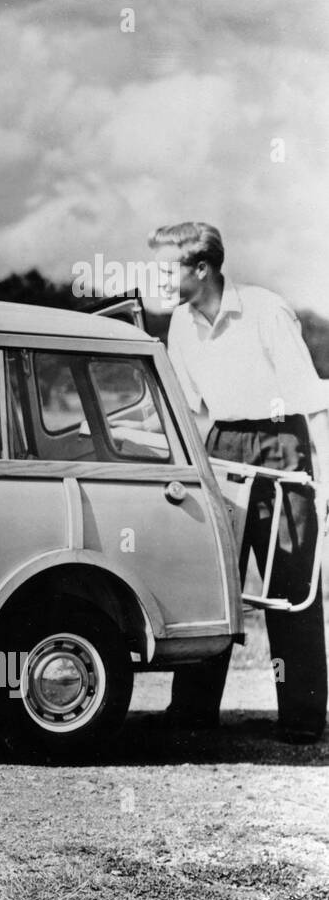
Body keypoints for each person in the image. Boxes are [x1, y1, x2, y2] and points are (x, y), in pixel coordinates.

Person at [152, 221, 328, 743]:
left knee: (291, 587)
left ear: (201, 268)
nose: (159, 279)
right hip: (222, 448)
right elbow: (187, 406)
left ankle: (301, 721)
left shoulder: (267, 310)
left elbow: (311, 400)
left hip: (280, 448)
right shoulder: (181, 322)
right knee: (213, 581)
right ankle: (192, 711)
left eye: (168, 268)